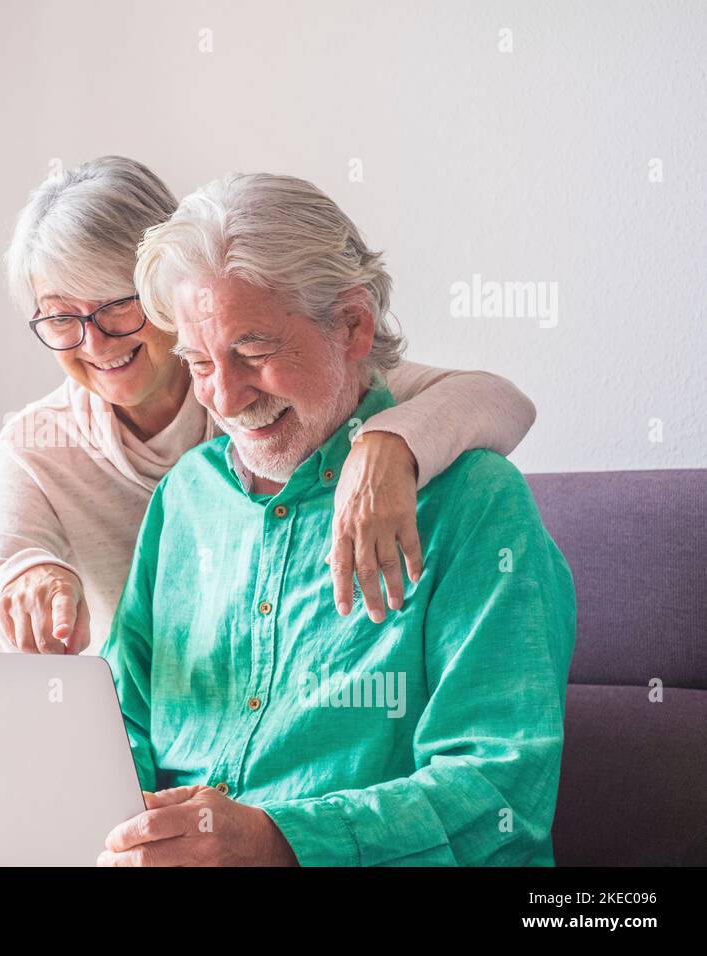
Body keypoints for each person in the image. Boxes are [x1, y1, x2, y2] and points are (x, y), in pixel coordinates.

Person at [98, 173, 575, 866]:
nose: (225, 398)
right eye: (199, 363)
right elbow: (118, 729)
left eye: (253, 354)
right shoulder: (187, 498)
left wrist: (276, 843)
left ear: (353, 325)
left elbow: (498, 793)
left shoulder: (476, 503)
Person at [0, 156, 537, 656]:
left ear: (171, 294)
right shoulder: (39, 444)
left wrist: (389, 444)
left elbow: (498, 399)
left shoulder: (278, 391)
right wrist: (24, 581)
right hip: (154, 722)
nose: (95, 343)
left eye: (116, 307)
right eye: (60, 317)